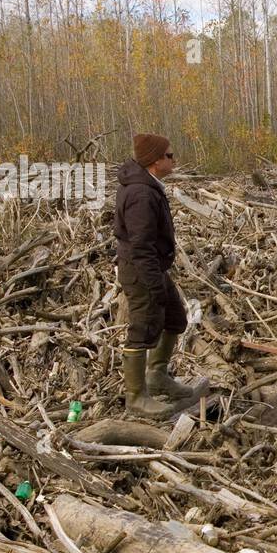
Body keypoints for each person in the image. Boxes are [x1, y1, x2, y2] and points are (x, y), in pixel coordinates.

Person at [114, 133, 196, 417]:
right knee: (143, 327)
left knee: (174, 317)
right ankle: (136, 397)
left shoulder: (149, 186)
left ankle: (157, 377)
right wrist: (152, 284)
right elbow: (140, 246)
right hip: (142, 271)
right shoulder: (140, 194)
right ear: (154, 161)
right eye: (170, 156)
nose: (174, 160)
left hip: (153, 268)